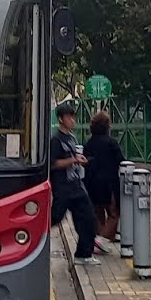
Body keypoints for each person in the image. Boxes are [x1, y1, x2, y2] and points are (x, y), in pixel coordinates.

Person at [51, 101, 100, 265]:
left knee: (88, 218)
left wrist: (79, 161)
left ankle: (84, 253)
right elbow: (53, 164)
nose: (73, 120)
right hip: (62, 186)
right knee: (55, 217)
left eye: (73, 116)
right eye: (69, 117)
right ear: (60, 119)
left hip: (76, 185)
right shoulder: (55, 140)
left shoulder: (71, 138)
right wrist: (73, 160)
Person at [84, 110, 123, 254]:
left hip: (91, 184)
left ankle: (98, 242)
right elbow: (121, 161)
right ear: (107, 126)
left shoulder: (88, 143)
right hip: (109, 183)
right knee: (114, 212)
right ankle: (102, 239)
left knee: (97, 212)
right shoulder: (111, 143)